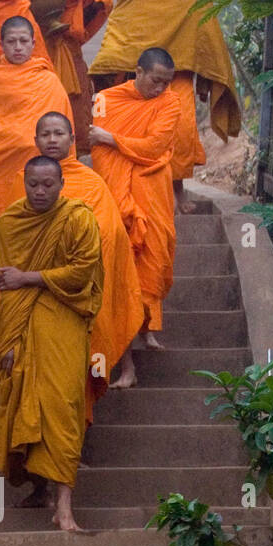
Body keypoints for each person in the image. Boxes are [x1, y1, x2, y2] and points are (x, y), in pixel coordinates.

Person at [0, 155, 103, 532]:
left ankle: (64, 506)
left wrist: (30, 277)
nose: (40, 191)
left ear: (62, 183)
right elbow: (6, 285)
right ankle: (40, 489)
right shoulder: (12, 221)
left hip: (64, 322)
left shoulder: (78, 218)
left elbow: (81, 273)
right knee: (21, 403)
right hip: (22, 324)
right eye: (33, 184)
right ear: (24, 182)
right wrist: (8, 338)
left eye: (48, 184)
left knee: (62, 409)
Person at [87, 0, 240, 213]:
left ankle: (178, 191)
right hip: (140, 74)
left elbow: (203, 26)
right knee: (131, 129)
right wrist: (114, 57)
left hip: (177, 73)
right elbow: (125, 17)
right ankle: (128, 189)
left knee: (181, 129)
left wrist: (205, 76)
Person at [8, 112, 144, 397]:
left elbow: (107, 232)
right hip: (40, 277)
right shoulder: (24, 178)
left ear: (72, 140)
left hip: (86, 270)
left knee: (107, 309)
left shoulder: (91, 182)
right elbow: (15, 230)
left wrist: (76, 258)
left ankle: (121, 370)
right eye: (46, 134)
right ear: (36, 141)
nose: (52, 139)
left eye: (59, 134)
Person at [0, 16, 72, 311]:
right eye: (11, 41)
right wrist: (10, 139)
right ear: (1, 44)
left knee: (37, 231)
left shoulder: (47, 79)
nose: (17, 47)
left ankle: (36, 292)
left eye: (24, 41)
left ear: (33, 44)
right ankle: (4, 294)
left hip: (36, 174)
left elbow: (60, 129)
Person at [89, 48, 180, 354]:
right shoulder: (107, 99)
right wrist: (112, 147)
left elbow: (155, 146)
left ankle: (148, 328)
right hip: (118, 191)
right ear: (138, 72)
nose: (161, 89)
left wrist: (112, 139)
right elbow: (97, 149)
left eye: (166, 83)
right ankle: (126, 337)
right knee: (125, 260)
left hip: (154, 188)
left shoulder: (171, 102)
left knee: (156, 253)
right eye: (155, 80)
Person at [24, 0, 113, 155]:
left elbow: (106, 1)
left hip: (71, 61)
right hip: (42, 60)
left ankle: (75, 155)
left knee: (75, 112)